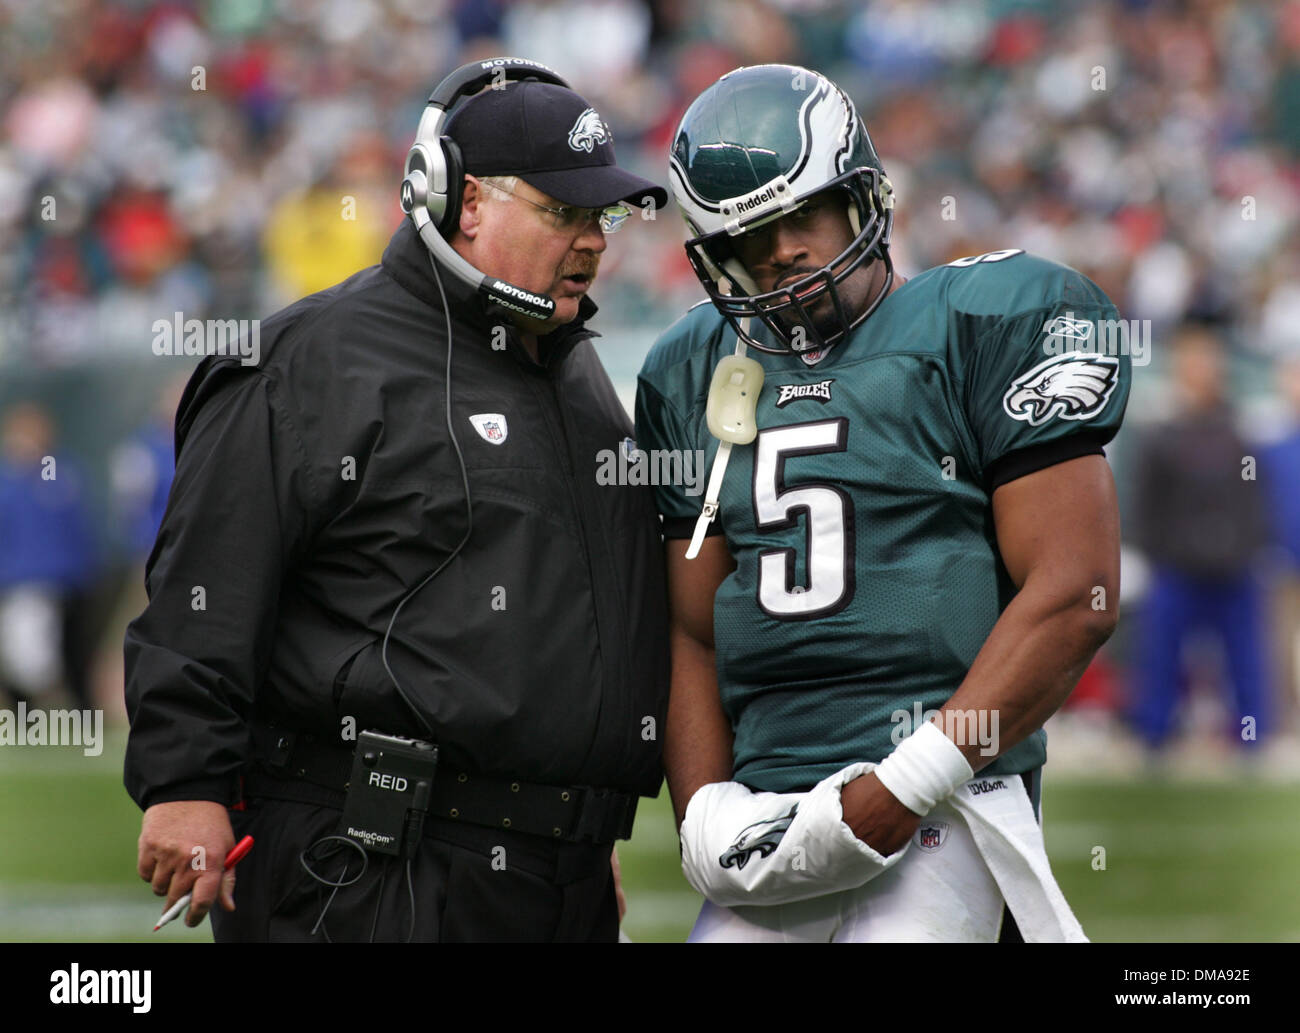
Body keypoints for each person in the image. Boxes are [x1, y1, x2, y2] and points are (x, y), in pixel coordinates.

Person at [125, 59, 670, 943]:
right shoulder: (310, 360)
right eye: (562, 211)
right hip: (370, 866)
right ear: (464, 200)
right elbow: (206, 586)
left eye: (601, 215)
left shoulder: (576, 378)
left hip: (549, 878)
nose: (594, 241)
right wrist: (185, 784)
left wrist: (569, 812)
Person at [636, 64, 1131, 942]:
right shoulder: (690, 370)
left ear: (861, 197)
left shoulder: (983, 320)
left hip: (949, 797)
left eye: (802, 216)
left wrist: (910, 779)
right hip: (767, 806)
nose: (780, 249)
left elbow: (1074, 589)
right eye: (751, 235)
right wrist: (701, 805)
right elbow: (691, 624)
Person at [1131, 322, 1272, 754]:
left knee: (1245, 661)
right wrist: (1156, 552)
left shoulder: (1239, 431)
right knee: (1160, 657)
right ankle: (1155, 738)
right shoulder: (1161, 436)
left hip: (1233, 566)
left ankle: (1250, 740)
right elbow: (1146, 502)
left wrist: (1248, 547)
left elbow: (1254, 496)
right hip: (1176, 566)